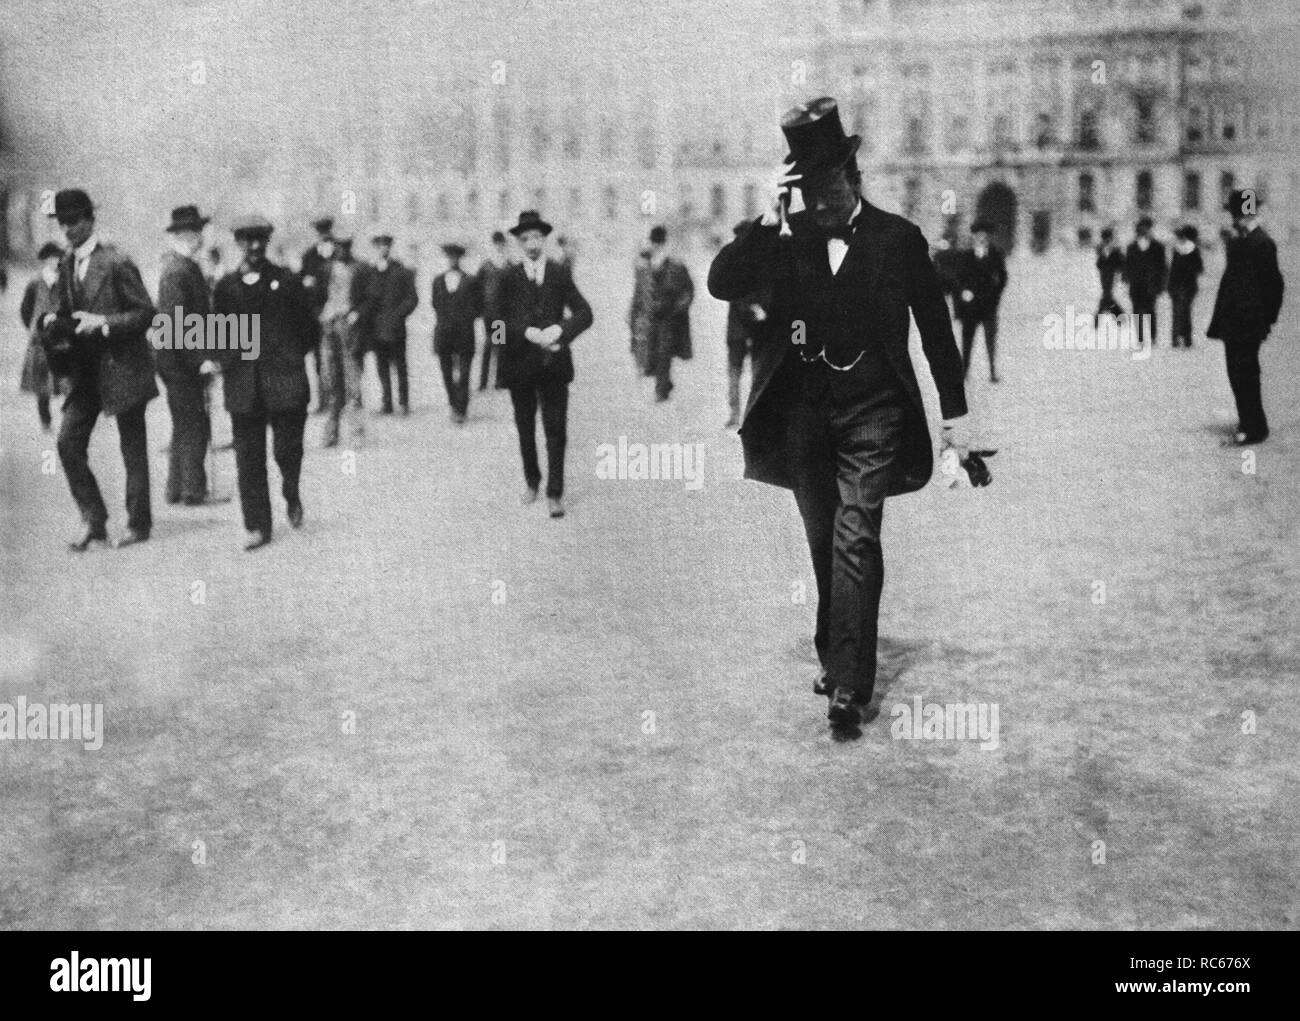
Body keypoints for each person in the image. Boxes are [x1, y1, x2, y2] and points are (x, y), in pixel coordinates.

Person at [708, 97, 988, 731]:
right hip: (805, 417)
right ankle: (835, 656)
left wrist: (957, 417)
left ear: (852, 176)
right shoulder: (788, 238)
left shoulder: (899, 240)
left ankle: (849, 687)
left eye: (826, 186)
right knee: (823, 542)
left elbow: (937, 332)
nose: (818, 201)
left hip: (874, 412)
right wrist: (766, 216)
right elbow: (723, 282)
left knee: (856, 534)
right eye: (804, 189)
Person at [40, 189, 158, 551]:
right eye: (63, 224)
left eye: (75, 221)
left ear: (91, 220)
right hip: (86, 372)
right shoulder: (64, 264)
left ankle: (138, 523)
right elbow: (64, 309)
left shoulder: (117, 261)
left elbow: (145, 314)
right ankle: (94, 520)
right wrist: (52, 320)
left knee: (132, 449)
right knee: (67, 443)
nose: (69, 229)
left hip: (123, 367)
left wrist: (103, 323)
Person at [212, 215, 314, 550]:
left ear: (267, 242)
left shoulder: (287, 281)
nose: (254, 246)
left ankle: (291, 489)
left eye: (260, 240)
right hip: (244, 387)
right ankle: (257, 525)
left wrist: (289, 355)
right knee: (248, 460)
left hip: (285, 383)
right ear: (238, 244)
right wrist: (228, 363)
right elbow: (218, 334)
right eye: (247, 240)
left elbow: (309, 329)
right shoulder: (226, 287)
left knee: (287, 451)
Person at [496, 210, 593, 519]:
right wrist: (522, 333)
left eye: (537, 237)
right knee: (525, 427)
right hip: (519, 366)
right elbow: (493, 325)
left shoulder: (559, 273)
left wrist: (560, 331)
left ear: (545, 239)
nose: (532, 244)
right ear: (519, 243)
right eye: (525, 239)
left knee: (555, 429)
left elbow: (585, 313)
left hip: (554, 363)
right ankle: (532, 482)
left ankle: (555, 492)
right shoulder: (507, 277)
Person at [1206, 190, 1285, 446]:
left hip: (1249, 323)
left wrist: (1266, 320)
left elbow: (1275, 285)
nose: (1233, 218)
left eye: (1236, 213)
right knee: (1237, 372)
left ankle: (1254, 428)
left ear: (1245, 213)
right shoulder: (1240, 240)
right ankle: (1248, 422)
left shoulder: (1262, 242)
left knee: (1245, 373)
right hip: (1234, 322)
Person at [155, 205, 217, 505]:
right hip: (179, 361)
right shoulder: (179, 269)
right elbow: (177, 322)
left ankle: (176, 488)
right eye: (196, 231)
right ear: (184, 235)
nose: (201, 237)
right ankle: (193, 490)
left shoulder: (183, 266)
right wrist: (201, 359)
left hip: (175, 359)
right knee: (194, 423)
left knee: (184, 423)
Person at [356, 232, 418, 415]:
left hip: (396, 326)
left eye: (386, 245)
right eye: (379, 245)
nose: (383, 248)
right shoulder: (369, 272)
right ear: (375, 248)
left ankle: (404, 402)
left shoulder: (401, 270)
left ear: (390, 247)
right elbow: (364, 298)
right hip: (376, 327)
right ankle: (387, 402)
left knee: (400, 365)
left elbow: (412, 298)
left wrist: (399, 315)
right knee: (381, 366)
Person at [318, 233, 365, 447]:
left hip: (349, 326)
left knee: (352, 380)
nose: (343, 251)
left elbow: (370, 298)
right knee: (331, 379)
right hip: (330, 326)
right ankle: (331, 432)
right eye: (339, 247)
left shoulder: (359, 269)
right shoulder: (326, 269)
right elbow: (316, 297)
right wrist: (320, 315)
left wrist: (357, 313)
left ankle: (356, 432)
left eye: (346, 247)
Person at [723, 220, 769, 429]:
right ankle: (738, 415)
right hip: (748, 329)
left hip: (746, 330)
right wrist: (758, 310)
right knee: (745, 373)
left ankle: (739, 416)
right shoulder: (756, 263)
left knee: (742, 373)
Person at [431, 243, 482, 423]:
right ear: (447, 258)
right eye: (450, 257)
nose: (453, 260)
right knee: (446, 372)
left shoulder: (470, 280)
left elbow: (478, 306)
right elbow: (435, 304)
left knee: (464, 373)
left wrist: (464, 318)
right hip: (444, 333)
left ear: (460, 259)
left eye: (456, 257)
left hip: (464, 333)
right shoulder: (438, 281)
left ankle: (461, 409)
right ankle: (453, 403)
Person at [953, 219, 1007, 383]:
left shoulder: (996, 255)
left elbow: (1003, 277)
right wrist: (964, 293)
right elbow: (958, 279)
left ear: (988, 238)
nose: (982, 239)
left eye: (985, 237)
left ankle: (992, 372)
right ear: (974, 237)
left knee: (991, 339)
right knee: (967, 339)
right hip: (970, 307)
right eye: (979, 236)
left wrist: (995, 296)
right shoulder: (966, 256)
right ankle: (964, 371)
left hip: (989, 305)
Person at [18, 242, 65, 431]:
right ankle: (45, 420)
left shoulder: (65, 281)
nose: (56, 262)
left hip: (62, 337)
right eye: (51, 258)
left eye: (58, 258)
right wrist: (34, 327)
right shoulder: (35, 283)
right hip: (40, 340)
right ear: (45, 260)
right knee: (41, 381)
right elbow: (25, 310)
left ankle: (68, 417)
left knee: (65, 378)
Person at [645, 225, 694, 402]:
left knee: (664, 352)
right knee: (652, 352)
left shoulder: (675, 264)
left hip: (669, 317)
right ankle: (665, 383)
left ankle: (661, 390)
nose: (655, 247)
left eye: (657, 244)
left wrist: (678, 309)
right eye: (654, 244)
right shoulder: (648, 263)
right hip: (653, 316)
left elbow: (688, 290)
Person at [299, 216, 335, 413]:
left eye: (326, 231)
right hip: (315, 316)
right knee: (320, 361)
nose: (324, 235)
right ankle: (323, 399)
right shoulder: (309, 256)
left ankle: (340, 400)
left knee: (339, 358)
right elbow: (304, 284)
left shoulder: (339, 252)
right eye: (320, 232)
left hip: (336, 314)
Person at [476, 230, 511, 391]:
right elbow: (477, 286)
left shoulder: (508, 265)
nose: (499, 246)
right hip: (488, 311)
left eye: (501, 243)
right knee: (489, 345)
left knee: (499, 345)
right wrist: (479, 308)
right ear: (493, 245)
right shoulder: (486, 265)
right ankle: (484, 381)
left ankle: (499, 380)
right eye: (496, 243)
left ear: (504, 245)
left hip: (502, 312)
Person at [1124, 217, 1167, 346]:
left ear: (1149, 229)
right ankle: (1140, 338)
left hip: (1151, 284)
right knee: (1137, 311)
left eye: (1146, 228)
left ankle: (1153, 337)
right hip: (1136, 285)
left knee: (1151, 311)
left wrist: (1161, 284)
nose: (1144, 230)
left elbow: (1163, 266)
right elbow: (1127, 264)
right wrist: (1127, 277)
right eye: (1141, 228)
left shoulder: (1157, 247)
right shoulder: (1132, 246)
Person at [1168, 226, 1204, 349]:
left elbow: (1198, 268)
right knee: (1183, 311)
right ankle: (1184, 338)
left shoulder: (1181, 250)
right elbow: (1199, 268)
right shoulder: (1190, 250)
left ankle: (1178, 337)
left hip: (1182, 285)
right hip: (1184, 285)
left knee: (1179, 311)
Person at [628, 247, 654, 375]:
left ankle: (643, 365)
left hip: (647, 310)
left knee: (643, 338)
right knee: (641, 338)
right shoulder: (641, 272)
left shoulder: (650, 272)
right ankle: (641, 365)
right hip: (641, 310)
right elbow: (637, 293)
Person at [1095, 227, 1125, 320]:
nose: (1106, 240)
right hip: (1104, 273)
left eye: (1108, 238)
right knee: (1107, 293)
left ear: (1111, 238)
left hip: (1112, 273)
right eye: (1105, 238)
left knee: (1107, 293)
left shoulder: (1115, 249)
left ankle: (1099, 316)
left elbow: (1121, 262)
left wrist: (1120, 270)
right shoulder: (1100, 248)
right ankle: (1119, 315)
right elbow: (1099, 262)